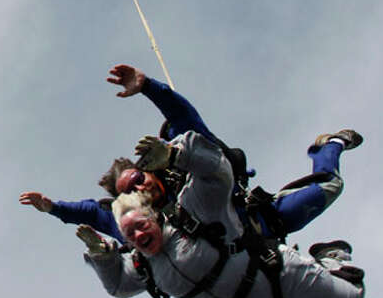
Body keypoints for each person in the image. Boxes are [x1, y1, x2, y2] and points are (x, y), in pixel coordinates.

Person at [79, 131, 365, 298]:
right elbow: (118, 284)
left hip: (271, 261)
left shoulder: (191, 206)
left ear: (151, 215)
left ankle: (330, 256)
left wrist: (174, 153)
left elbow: (217, 169)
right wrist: (102, 255)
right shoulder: (144, 262)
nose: (140, 236)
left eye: (142, 226)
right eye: (132, 235)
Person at [19, 65, 358, 242]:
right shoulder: (144, 221)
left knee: (330, 185)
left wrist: (149, 87)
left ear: (147, 170)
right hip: (235, 264)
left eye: (137, 180)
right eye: (129, 192)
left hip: (260, 223)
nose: (139, 191)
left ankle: (328, 147)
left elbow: (185, 121)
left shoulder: (179, 167)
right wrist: (53, 208)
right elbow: (95, 215)